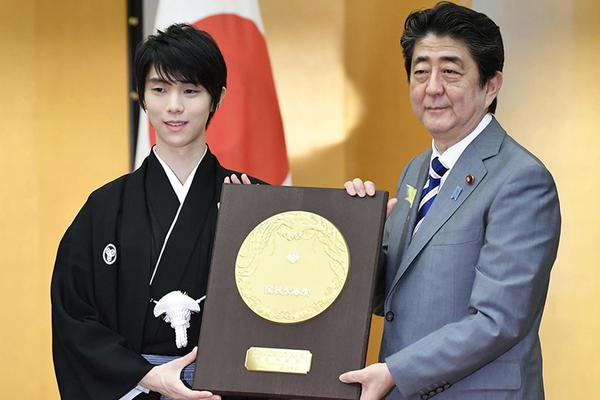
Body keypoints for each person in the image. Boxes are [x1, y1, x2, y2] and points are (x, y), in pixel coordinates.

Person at [339, 3, 561, 399]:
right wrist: (357, 235)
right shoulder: (415, 169)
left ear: (491, 84)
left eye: (451, 71)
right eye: (420, 71)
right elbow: (392, 295)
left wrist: (396, 371)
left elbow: (499, 320)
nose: (432, 87)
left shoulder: (521, 179)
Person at [51, 24, 258, 400]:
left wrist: (357, 212)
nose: (174, 106)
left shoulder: (254, 200)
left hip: (224, 391)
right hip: (134, 390)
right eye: (160, 89)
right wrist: (147, 375)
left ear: (218, 98)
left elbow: (292, 301)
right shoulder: (104, 208)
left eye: (191, 90)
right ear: (142, 97)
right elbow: (74, 317)